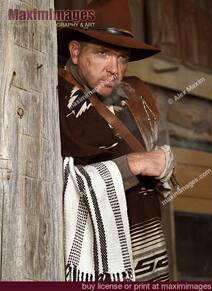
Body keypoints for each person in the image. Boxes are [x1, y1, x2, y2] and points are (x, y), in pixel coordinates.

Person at [57, 0, 176, 282]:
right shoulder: (53, 98)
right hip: (88, 263)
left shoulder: (135, 98)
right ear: (75, 51)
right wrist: (132, 164)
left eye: (122, 58)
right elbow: (53, 180)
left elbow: (159, 169)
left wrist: (165, 162)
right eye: (103, 53)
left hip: (145, 252)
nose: (115, 68)